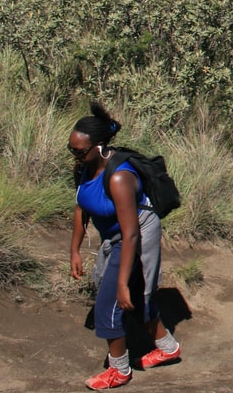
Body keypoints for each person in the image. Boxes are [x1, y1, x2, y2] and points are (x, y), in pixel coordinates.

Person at [69, 103, 181, 389]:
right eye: (72, 150)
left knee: (111, 301)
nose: (75, 157)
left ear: (100, 147)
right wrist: (74, 250)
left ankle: (119, 370)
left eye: (80, 151)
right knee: (131, 298)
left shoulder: (119, 177)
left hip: (136, 235)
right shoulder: (86, 167)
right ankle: (167, 348)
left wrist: (121, 284)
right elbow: (82, 208)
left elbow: (131, 234)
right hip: (115, 236)